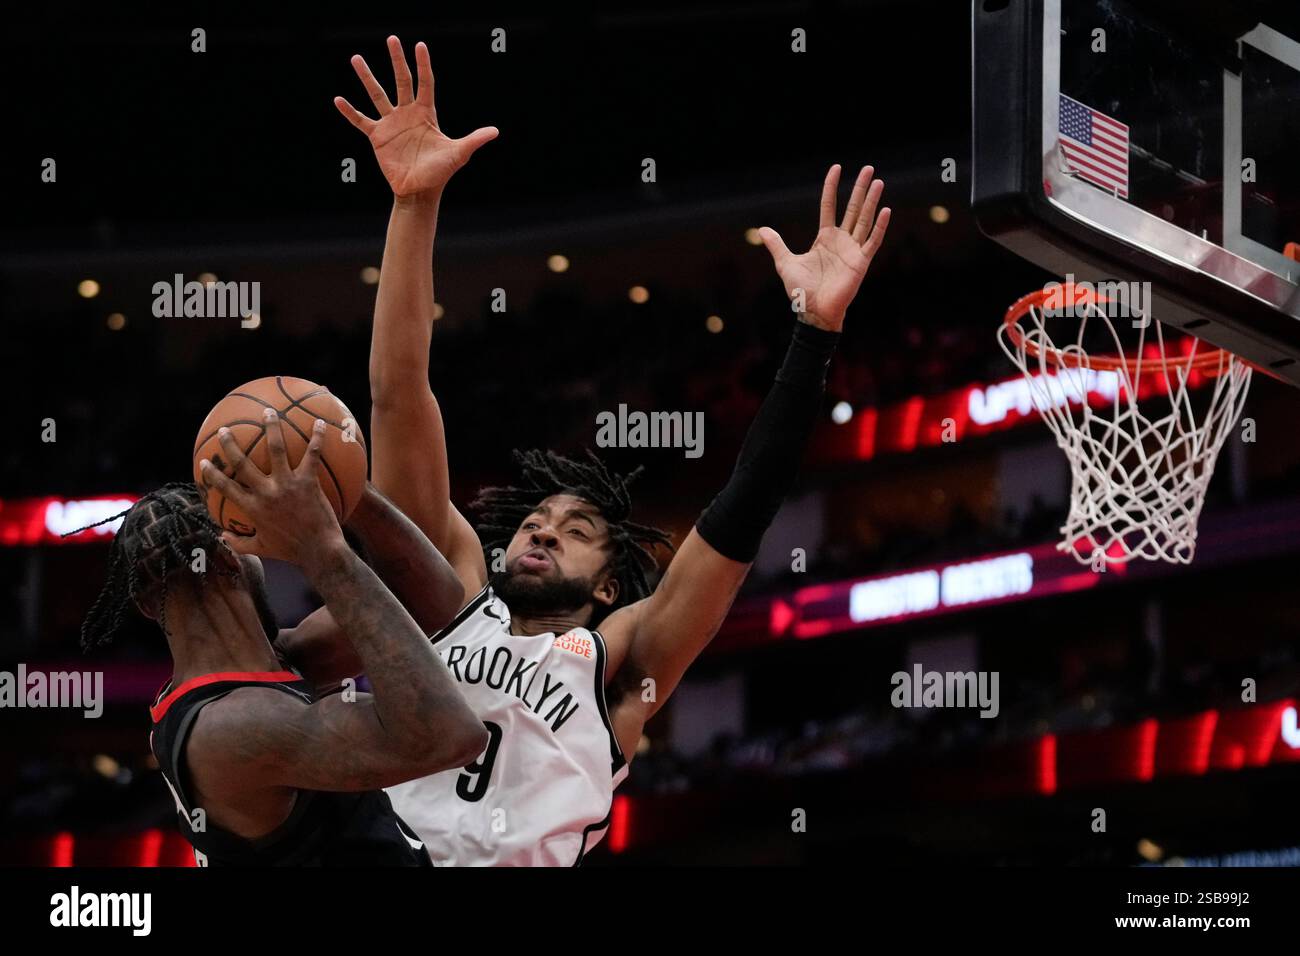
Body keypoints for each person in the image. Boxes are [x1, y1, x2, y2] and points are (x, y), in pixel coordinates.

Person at [296, 36, 891, 865]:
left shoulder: (621, 663)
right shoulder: (450, 595)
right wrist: (413, 205)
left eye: (572, 530)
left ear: (610, 583)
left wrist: (814, 336)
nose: (540, 531)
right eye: (538, 520)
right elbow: (400, 395)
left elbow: (741, 513)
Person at [79, 412, 486, 865]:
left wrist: (343, 482)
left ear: (145, 606)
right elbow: (451, 737)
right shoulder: (230, 729)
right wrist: (318, 546)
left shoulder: (281, 658)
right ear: (234, 558)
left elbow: (435, 599)